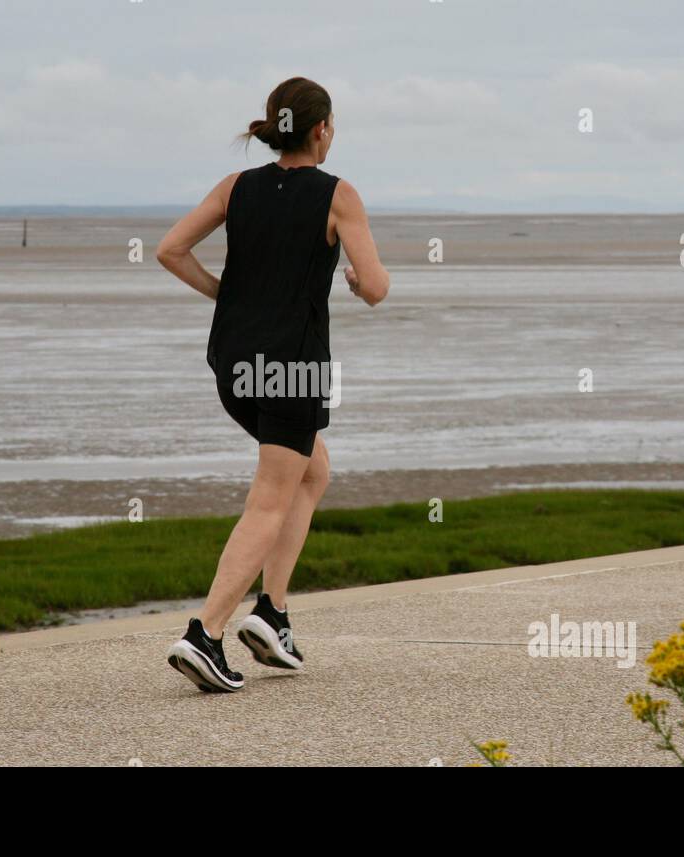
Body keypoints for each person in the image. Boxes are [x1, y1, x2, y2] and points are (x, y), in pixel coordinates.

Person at [157, 76, 390, 692]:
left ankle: (272, 615)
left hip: (232, 360)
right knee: (270, 496)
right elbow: (375, 286)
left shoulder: (236, 188)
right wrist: (357, 283)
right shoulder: (339, 196)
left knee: (312, 472)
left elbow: (170, 250)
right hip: (291, 367)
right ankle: (205, 634)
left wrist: (226, 295)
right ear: (321, 130)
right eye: (332, 125)